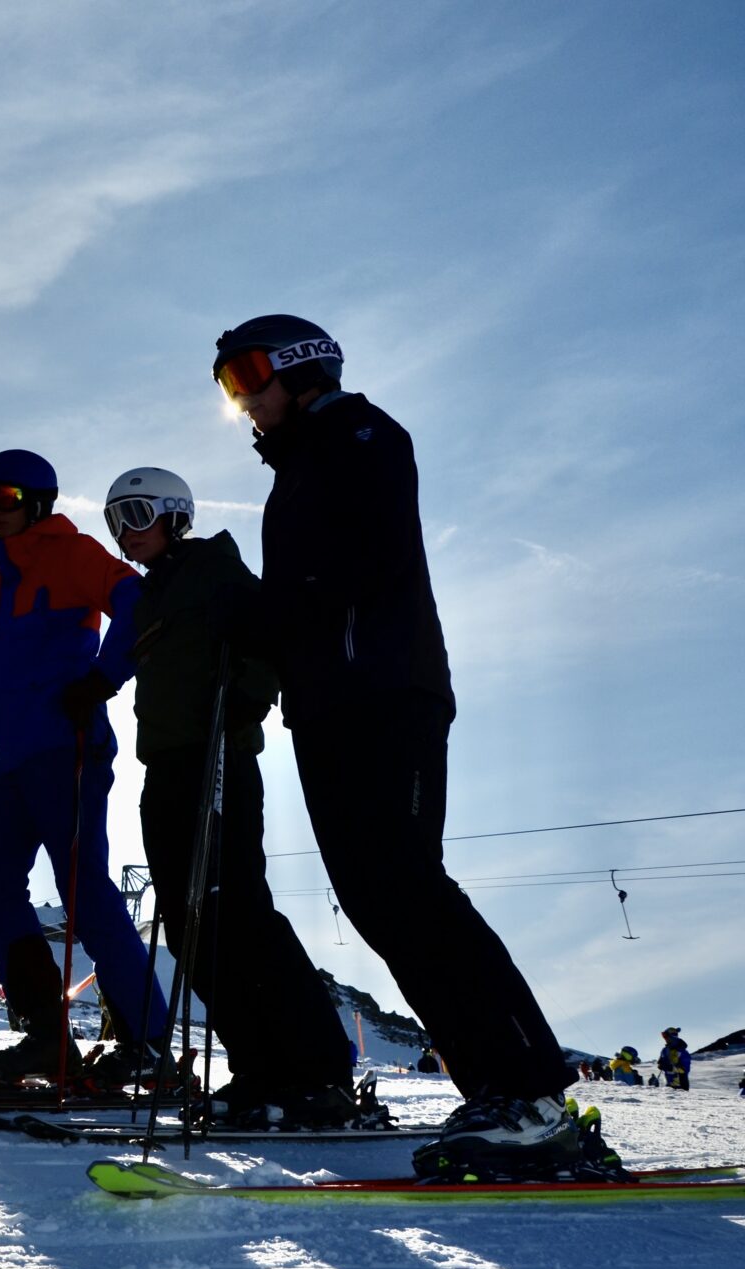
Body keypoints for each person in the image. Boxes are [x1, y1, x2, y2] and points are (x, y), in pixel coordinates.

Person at [214, 314, 589, 1176]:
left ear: (303, 369)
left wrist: (266, 608)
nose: (241, 401)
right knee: (376, 898)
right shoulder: (296, 470)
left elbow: (357, 567)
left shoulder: (362, 435)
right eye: (228, 386)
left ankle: (530, 1092)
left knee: (407, 885)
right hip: (329, 704)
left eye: (248, 377)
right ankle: (496, 1088)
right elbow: (303, 598)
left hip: (385, 691)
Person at [101, 467, 357, 1126]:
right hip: (165, 766)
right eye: (115, 521)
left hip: (219, 753)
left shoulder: (216, 569)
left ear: (173, 514)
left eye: (135, 514)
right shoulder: (150, 596)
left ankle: (318, 1070)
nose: (125, 533)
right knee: (191, 929)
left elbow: (273, 632)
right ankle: (261, 1068)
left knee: (236, 910)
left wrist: (254, 689)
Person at [0, 450, 168, 1083]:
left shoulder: (72, 553)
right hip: (15, 758)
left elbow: (139, 601)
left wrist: (104, 679)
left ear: (37, 501)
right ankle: (49, 1036)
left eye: (3, 497)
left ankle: (152, 1043)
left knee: (82, 891)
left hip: (68, 747)